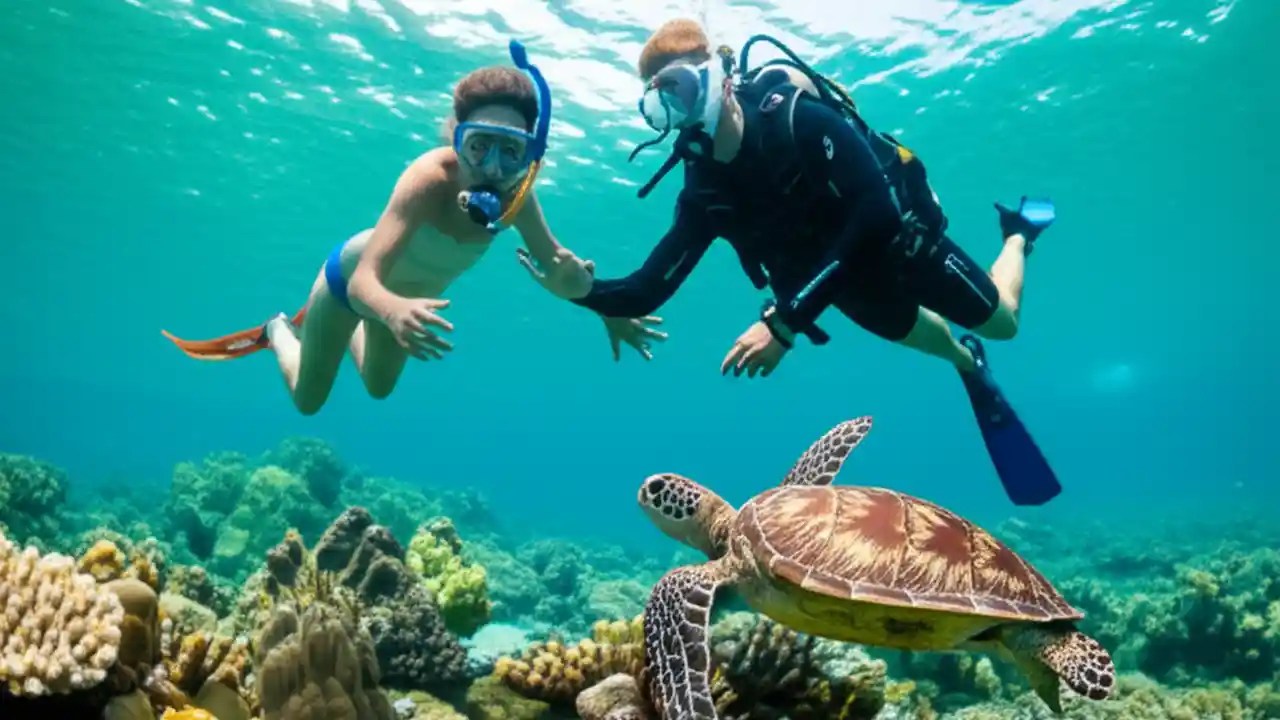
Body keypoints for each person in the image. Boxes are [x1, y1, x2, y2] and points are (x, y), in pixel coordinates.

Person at [547, 19, 1063, 506]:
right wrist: (582, 292)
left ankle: (1017, 235)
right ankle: (968, 364)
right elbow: (647, 287)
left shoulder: (795, 118)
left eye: (678, 89)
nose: (675, 113)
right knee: (936, 343)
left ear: (719, 80)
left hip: (899, 247)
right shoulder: (704, 189)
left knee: (1004, 323)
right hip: (838, 286)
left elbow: (877, 215)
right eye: (659, 103)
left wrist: (785, 324)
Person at [162, 40, 662, 415]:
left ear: (531, 156)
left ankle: (343, 327)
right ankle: (278, 328)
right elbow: (364, 281)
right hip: (351, 287)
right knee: (308, 401)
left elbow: (557, 266)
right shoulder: (428, 179)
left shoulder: (518, 198)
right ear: (454, 137)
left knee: (379, 389)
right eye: (478, 145)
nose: (492, 166)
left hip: (400, 307)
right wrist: (391, 310)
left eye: (511, 150)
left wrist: (609, 309)